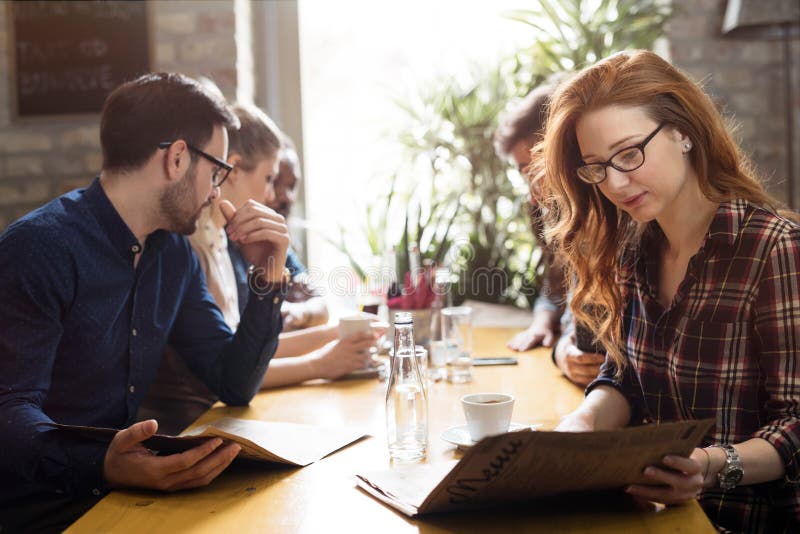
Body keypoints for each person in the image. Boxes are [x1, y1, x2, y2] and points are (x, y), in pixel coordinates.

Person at [0, 73, 290, 531]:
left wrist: (267, 278)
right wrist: (102, 464)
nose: (217, 192)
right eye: (215, 172)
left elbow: (232, 382)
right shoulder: (38, 248)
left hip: (127, 498)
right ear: (177, 158)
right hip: (39, 511)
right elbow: (8, 412)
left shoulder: (173, 255)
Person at [541, 50, 799, 532]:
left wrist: (707, 466)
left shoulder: (774, 248)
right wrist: (585, 424)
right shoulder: (630, 247)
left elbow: (796, 424)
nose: (615, 183)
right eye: (596, 166)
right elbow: (625, 377)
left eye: (629, 154)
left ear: (683, 131)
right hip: (653, 516)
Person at [138, 103, 377, 435]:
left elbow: (242, 351)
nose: (271, 194)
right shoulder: (189, 246)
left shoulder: (220, 239)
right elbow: (231, 370)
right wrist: (323, 363)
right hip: (187, 428)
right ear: (232, 168)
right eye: (268, 178)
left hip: (219, 417)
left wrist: (334, 334)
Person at [494, 76, 605, 387]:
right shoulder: (549, 212)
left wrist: (562, 352)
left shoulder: (618, 219)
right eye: (523, 171)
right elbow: (555, 283)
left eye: (539, 165)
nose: (533, 188)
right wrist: (544, 322)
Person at [261, 135, 330, 331]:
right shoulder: (228, 247)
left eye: (292, 186)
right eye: (274, 181)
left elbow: (320, 303)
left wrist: (298, 312)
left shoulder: (279, 245)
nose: (286, 197)